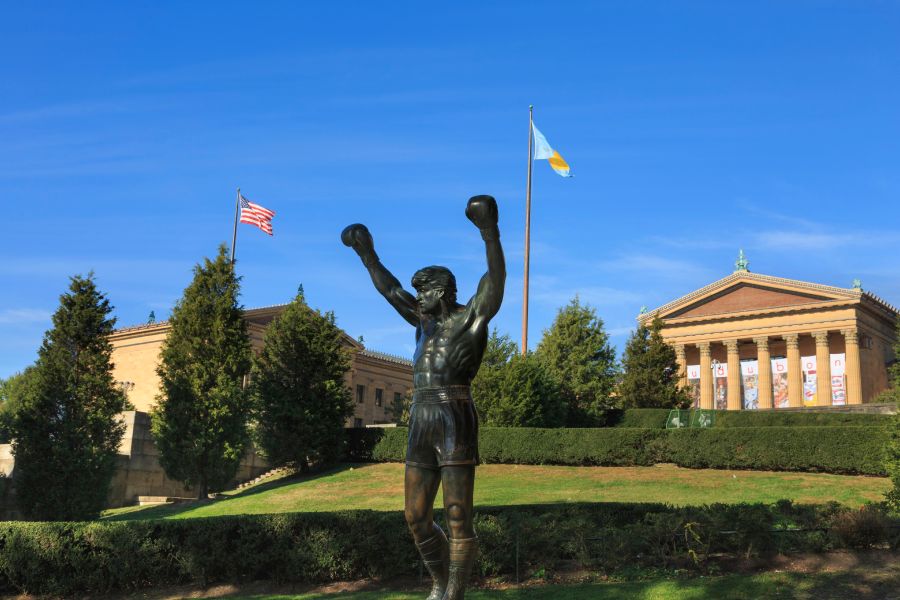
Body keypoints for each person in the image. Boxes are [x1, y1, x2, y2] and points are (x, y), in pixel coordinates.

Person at [342, 195, 505, 600]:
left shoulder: (472, 317)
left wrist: (489, 230)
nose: (417, 299)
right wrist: (367, 253)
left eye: (424, 292)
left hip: (455, 411)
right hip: (421, 414)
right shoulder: (423, 323)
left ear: (442, 291)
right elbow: (390, 289)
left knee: (456, 514)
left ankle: (454, 593)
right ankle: (438, 579)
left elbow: (495, 279)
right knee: (415, 515)